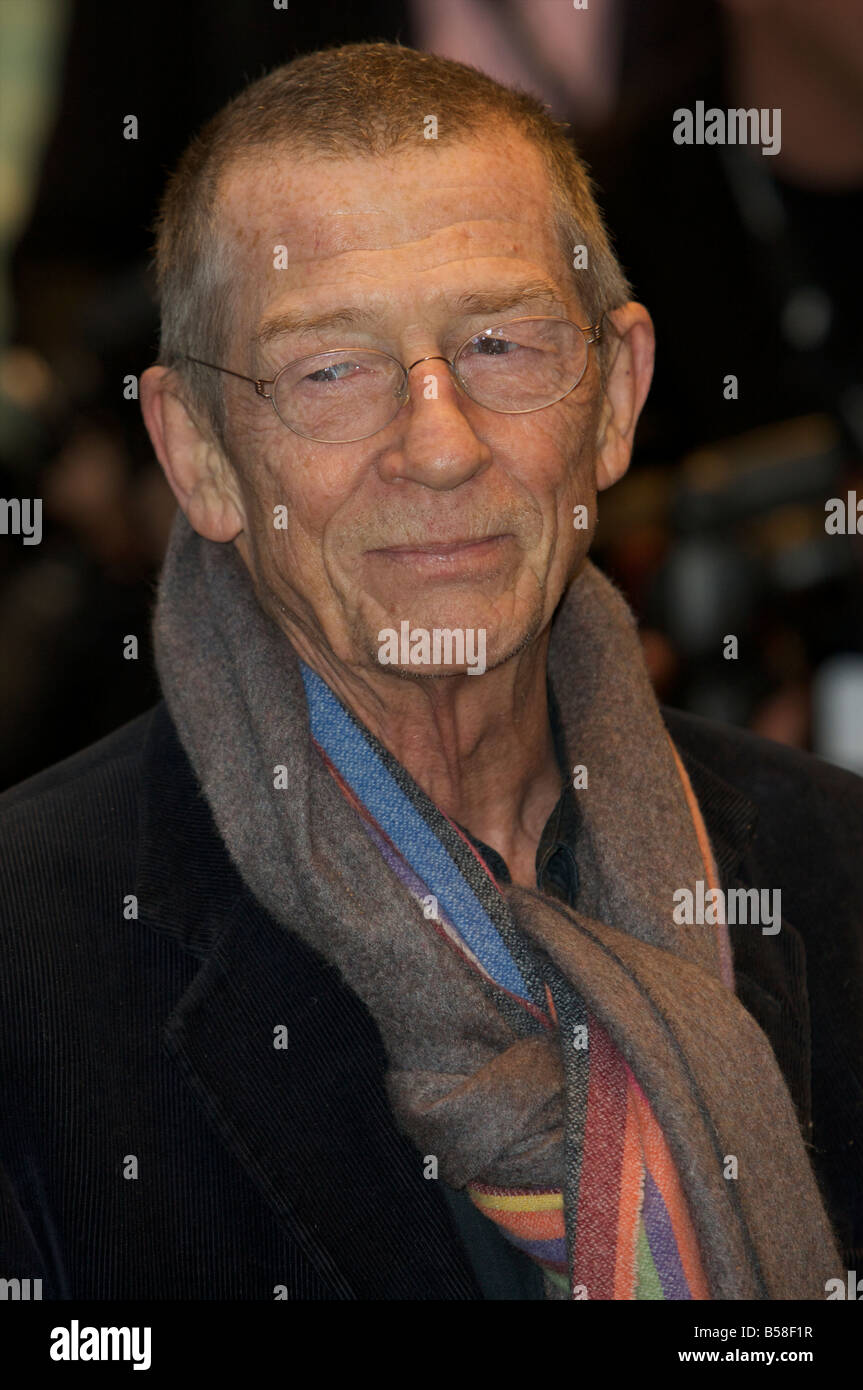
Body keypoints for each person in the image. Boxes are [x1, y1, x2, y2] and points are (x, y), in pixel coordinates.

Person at [0, 43, 860, 1302]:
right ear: (196, 453)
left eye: (501, 344)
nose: (440, 446)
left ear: (615, 395)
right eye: (330, 371)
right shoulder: (31, 962)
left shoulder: (833, 869)